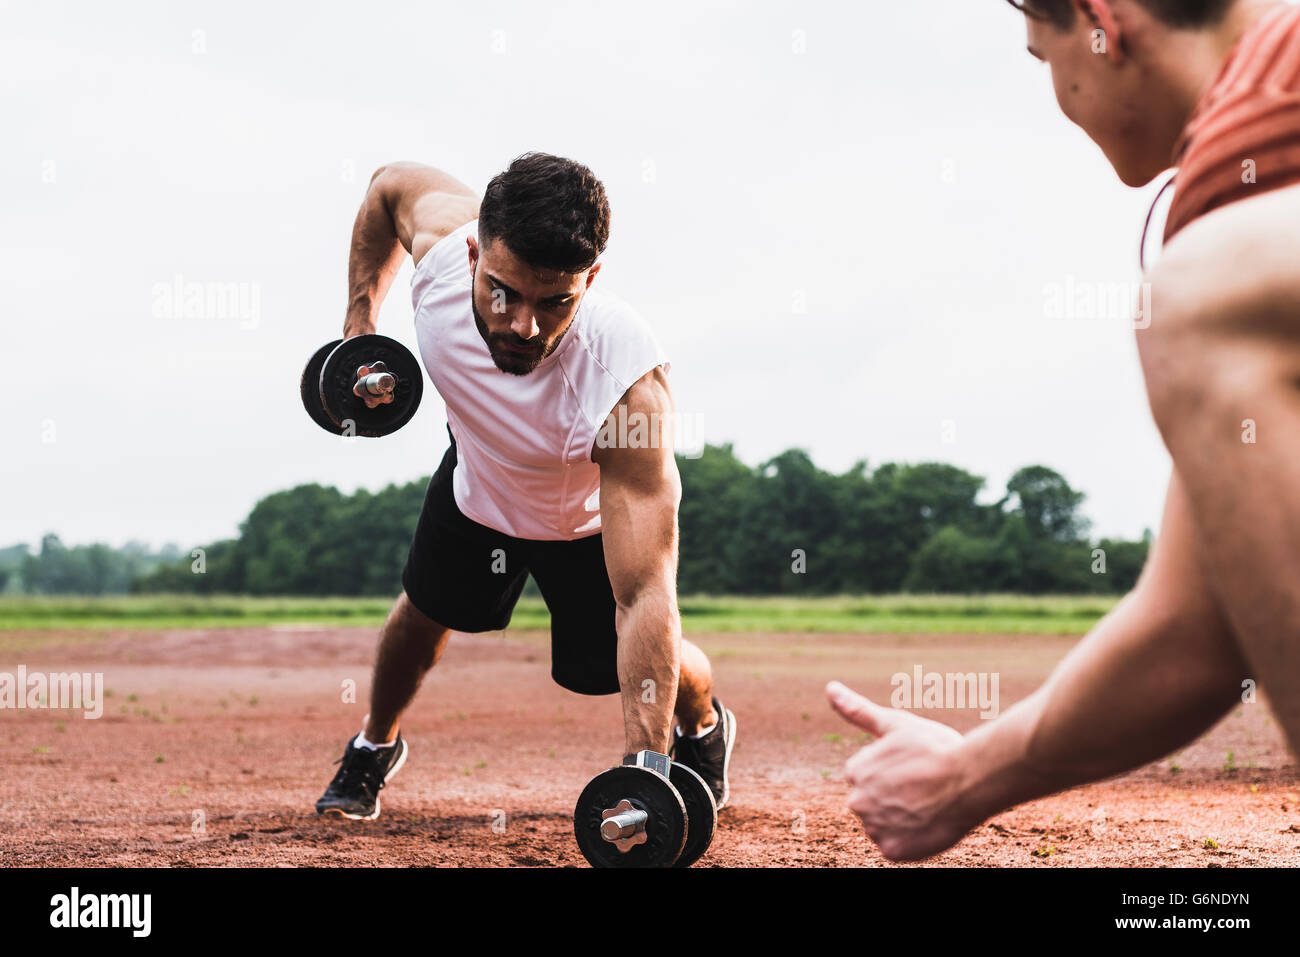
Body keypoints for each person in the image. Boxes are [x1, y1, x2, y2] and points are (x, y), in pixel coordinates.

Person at [829, 0, 1300, 862]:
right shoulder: (1259, 151)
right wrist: (963, 774)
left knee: (1202, 293)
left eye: (1041, 54)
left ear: (1102, 24)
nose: (1058, 91)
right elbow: (1191, 630)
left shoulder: (1225, 250)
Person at [315, 153, 736, 821]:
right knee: (419, 614)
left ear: (590, 279)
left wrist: (646, 775)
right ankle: (373, 745)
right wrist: (359, 329)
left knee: (640, 656)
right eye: (504, 292)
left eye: (556, 302)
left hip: (583, 524)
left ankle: (702, 726)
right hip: (478, 486)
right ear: (476, 252)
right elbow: (387, 186)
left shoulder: (625, 386)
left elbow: (645, 594)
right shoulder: (442, 251)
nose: (524, 326)